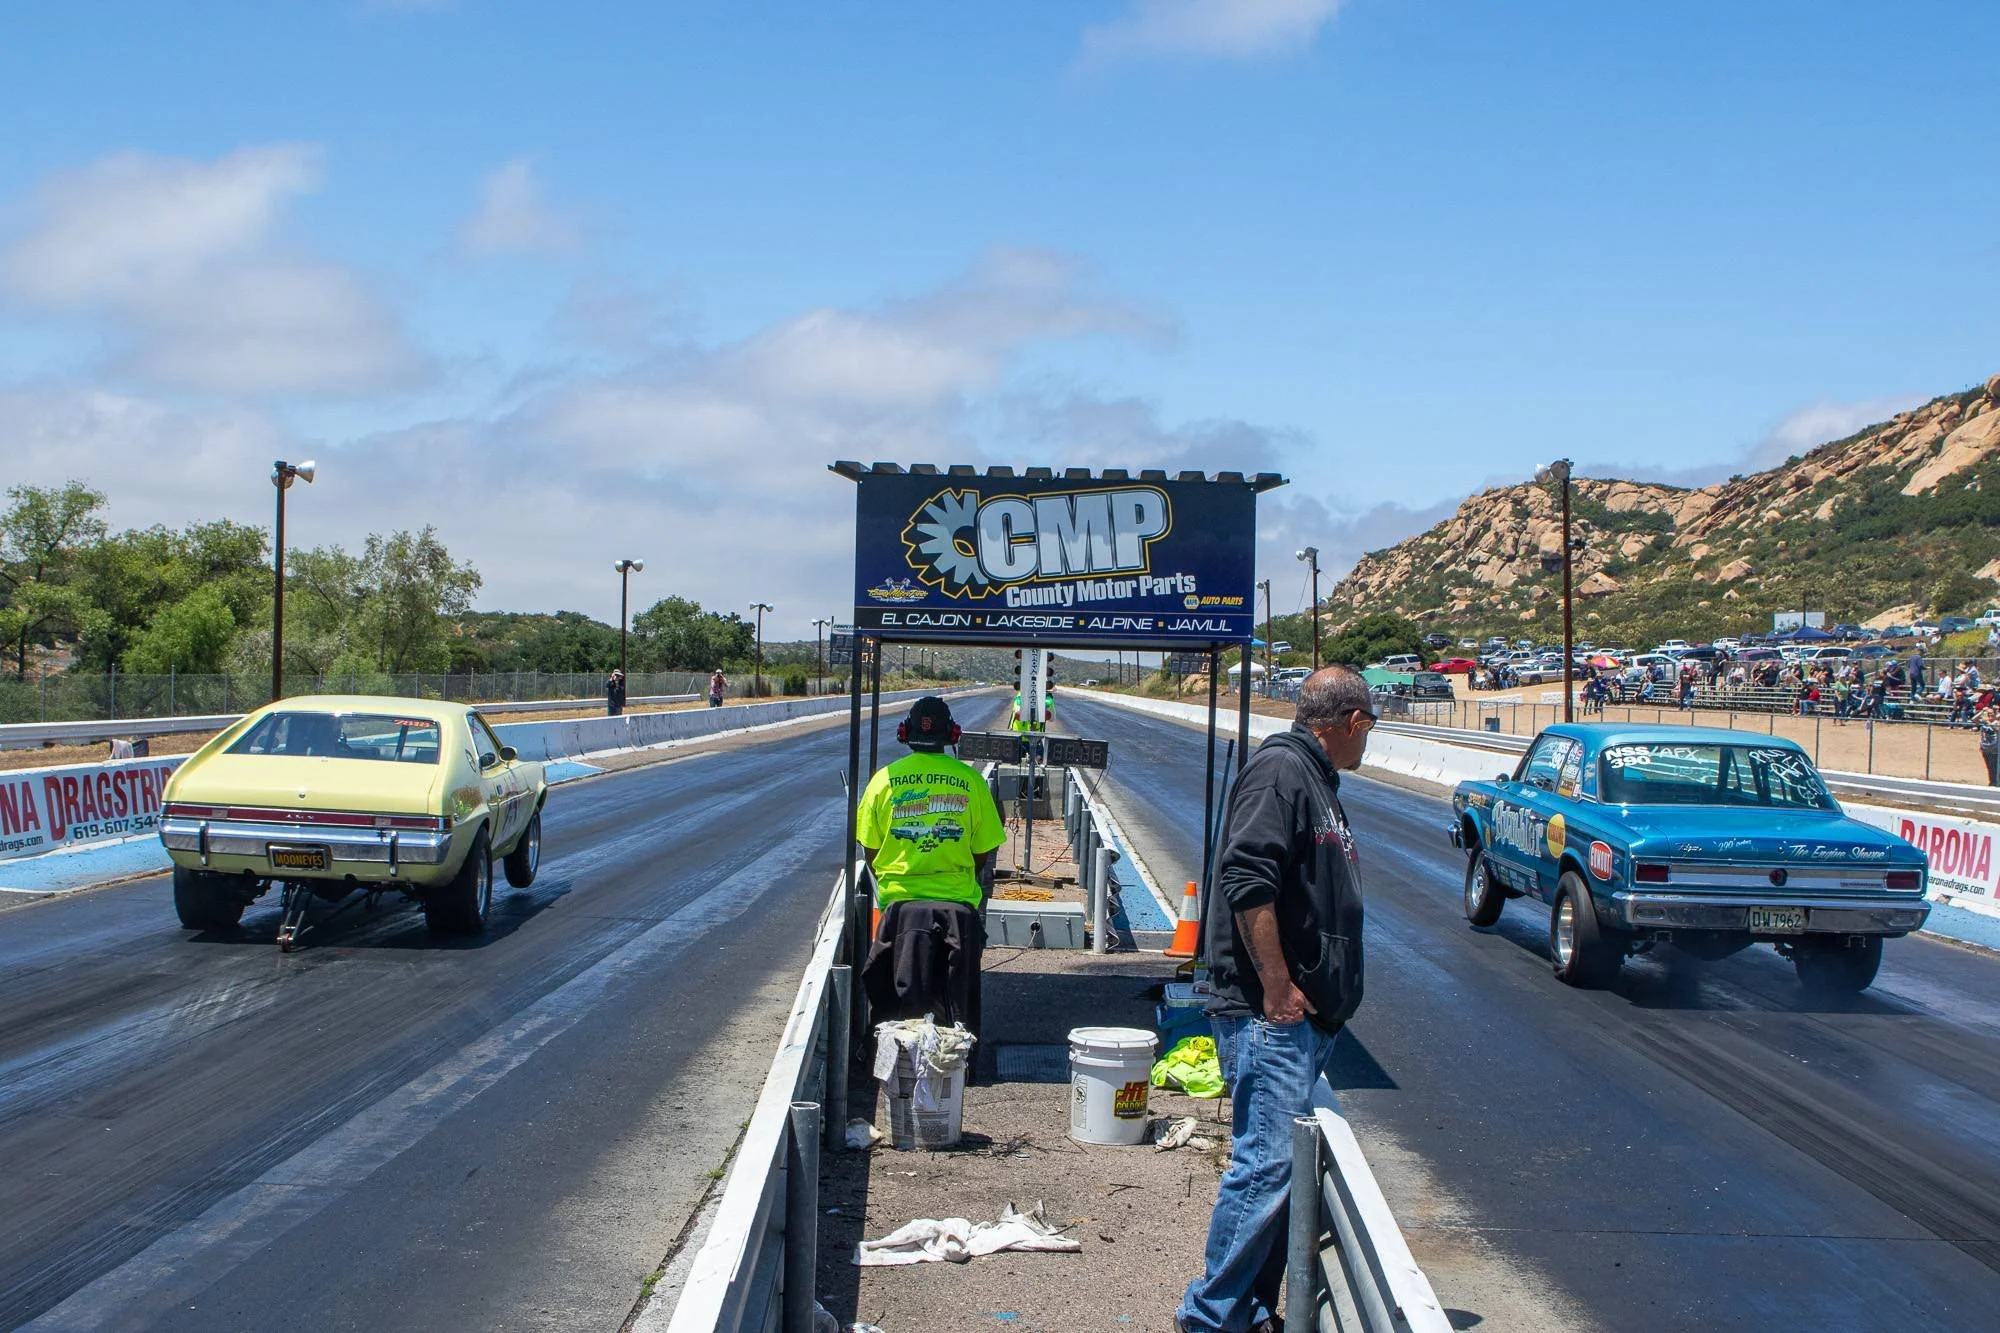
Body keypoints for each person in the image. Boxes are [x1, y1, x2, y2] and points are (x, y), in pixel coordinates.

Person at [1176, 668, 1373, 1333]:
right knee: (1265, 1166)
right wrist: (1277, 984)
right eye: (1368, 726)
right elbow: (1245, 877)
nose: (1367, 739)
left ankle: (1247, 1309)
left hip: (1300, 1019)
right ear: (1350, 721)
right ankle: (1210, 1316)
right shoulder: (1281, 772)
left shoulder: (1313, 777)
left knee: (1279, 1174)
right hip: (1270, 1017)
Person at [856, 696, 1007, 1032]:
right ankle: (960, 1056)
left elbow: (871, 850)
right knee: (960, 1011)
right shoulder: (972, 782)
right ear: (952, 734)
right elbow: (982, 853)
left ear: (905, 733)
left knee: (895, 1011)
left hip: (899, 912)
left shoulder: (882, 781)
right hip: (959, 912)